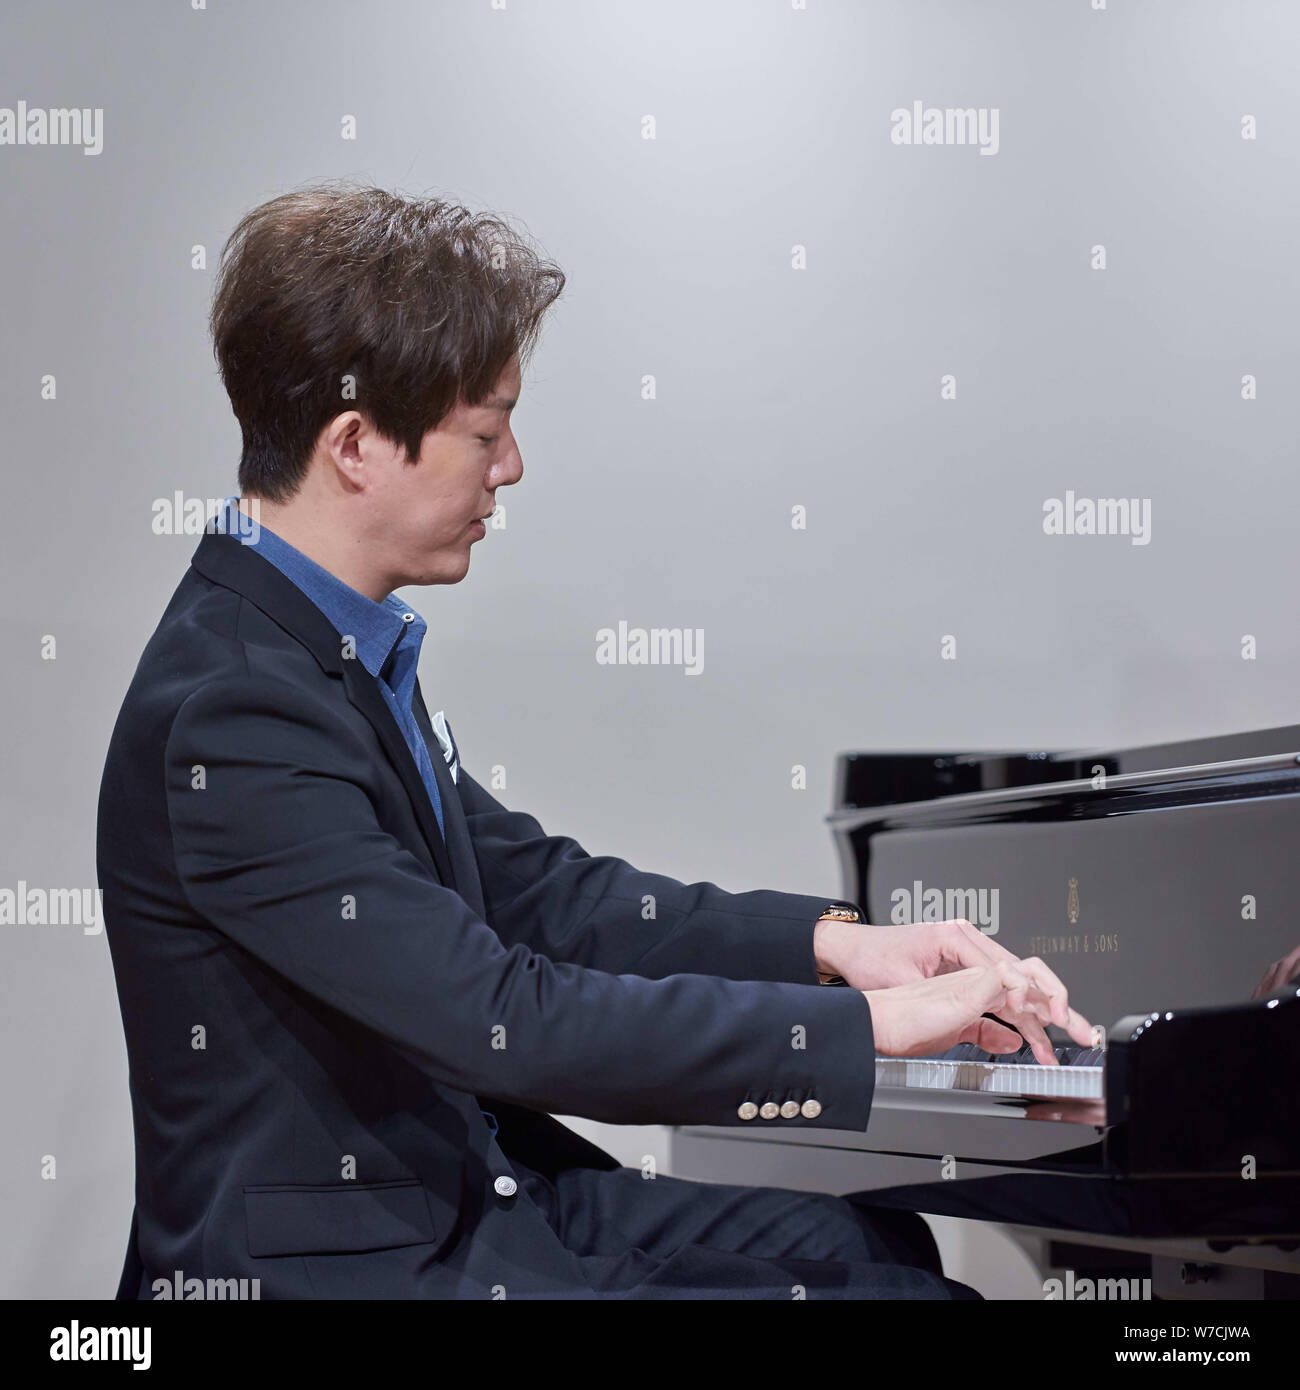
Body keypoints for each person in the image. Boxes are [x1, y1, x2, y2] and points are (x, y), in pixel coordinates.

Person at [98, 181, 1094, 1300]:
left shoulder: (322, 651)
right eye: (485, 429)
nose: (510, 466)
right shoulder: (237, 711)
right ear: (356, 443)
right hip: (349, 1266)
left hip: (455, 1202)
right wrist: (865, 1027)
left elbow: (544, 895)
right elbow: (504, 1019)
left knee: (882, 1249)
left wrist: (836, 946)